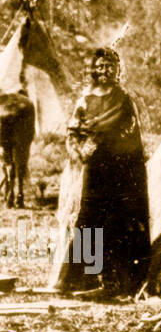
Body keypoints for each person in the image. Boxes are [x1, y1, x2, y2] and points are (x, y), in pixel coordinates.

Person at [49, 47, 150, 297]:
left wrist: (115, 148)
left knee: (114, 223)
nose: (104, 71)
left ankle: (113, 282)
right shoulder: (85, 100)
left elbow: (132, 135)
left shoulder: (124, 100)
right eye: (100, 66)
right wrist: (78, 151)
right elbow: (73, 131)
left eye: (109, 66)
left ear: (117, 70)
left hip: (118, 170)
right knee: (88, 221)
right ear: (93, 70)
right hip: (92, 169)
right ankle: (84, 279)